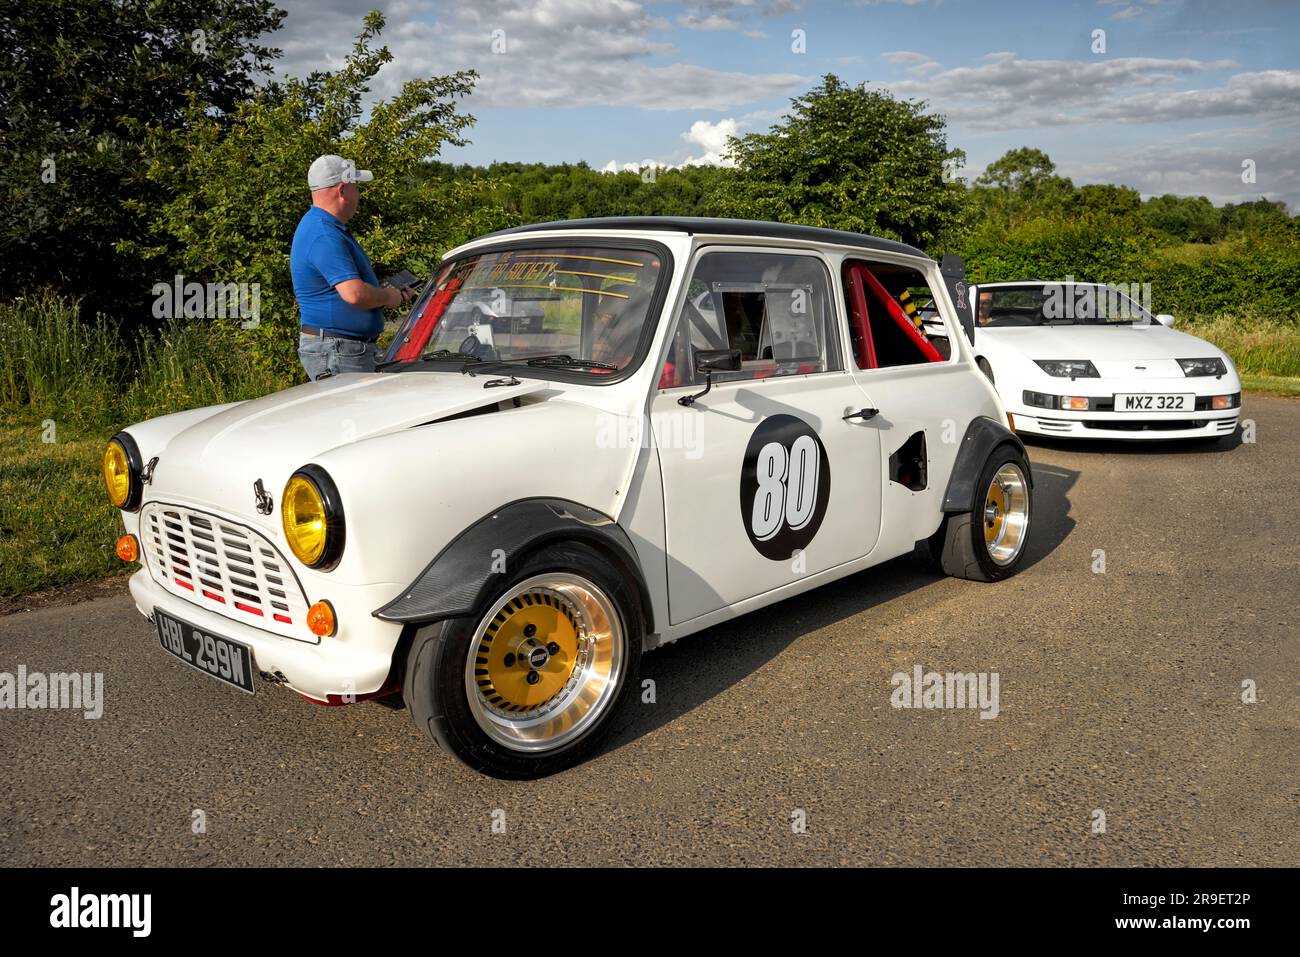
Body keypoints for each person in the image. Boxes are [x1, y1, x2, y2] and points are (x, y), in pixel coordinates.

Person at [290, 155, 415, 380]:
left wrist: (390, 296)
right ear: (341, 190)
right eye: (356, 188)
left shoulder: (326, 228)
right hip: (338, 350)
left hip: (341, 347)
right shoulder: (324, 234)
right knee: (354, 415)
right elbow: (354, 294)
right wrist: (388, 296)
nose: (358, 196)